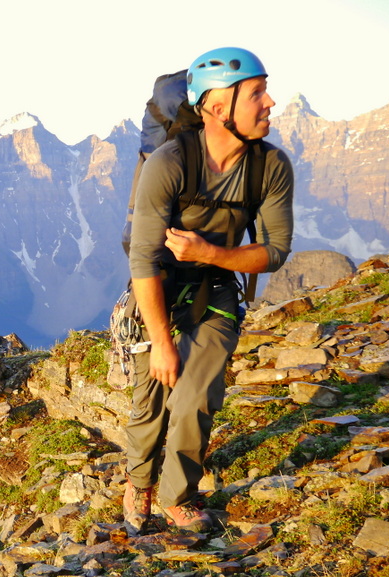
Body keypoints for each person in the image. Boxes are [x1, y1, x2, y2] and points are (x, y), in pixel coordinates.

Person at [123, 47, 294, 534]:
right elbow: (143, 258)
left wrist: (211, 254)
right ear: (219, 108)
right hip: (158, 283)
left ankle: (178, 494)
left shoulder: (271, 166)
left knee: (198, 393)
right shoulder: (169, 162)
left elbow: (275, 251)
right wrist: (160, 341)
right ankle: (138, 482)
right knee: (152, 396)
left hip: (216, 284)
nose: (270, 102)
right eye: (257, 93)